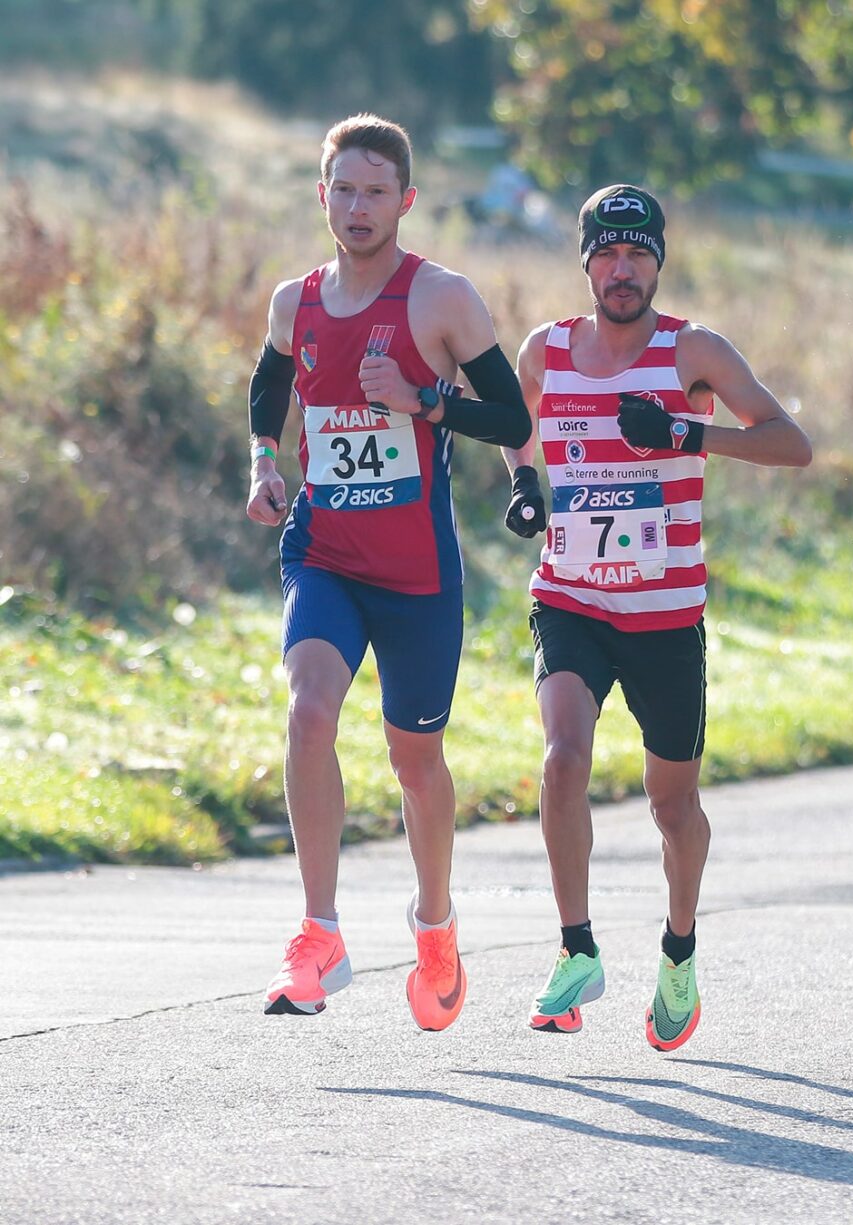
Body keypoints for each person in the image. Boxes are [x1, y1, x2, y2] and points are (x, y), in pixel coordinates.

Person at [502, 184, 811, 1048]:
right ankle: (576, 949)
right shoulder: (547, 350)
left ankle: (679, 950)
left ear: (659, 262)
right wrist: (526, 487)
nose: (623, 269)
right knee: (563, 758)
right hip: (570, 597)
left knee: (672, 806)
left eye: (639, 253)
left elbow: (791, 443)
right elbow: (514, 421)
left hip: (666, 615)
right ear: (587, 261)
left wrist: (686, 435)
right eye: (607, 252)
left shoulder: (693, 351)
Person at [246, 114, 530, 1030]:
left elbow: (512, 416)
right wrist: (262, 459)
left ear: (405, 201)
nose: (358, 206)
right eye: (343, 188)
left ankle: (435, 922)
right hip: (324, 550)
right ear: (320, 194)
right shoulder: (296, 301)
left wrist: (423, 401)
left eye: (376, 191)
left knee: (416, 760)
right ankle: (319, 930)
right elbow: (269, 384)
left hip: (416, 573)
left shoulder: (441, 298)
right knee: (309, 707)